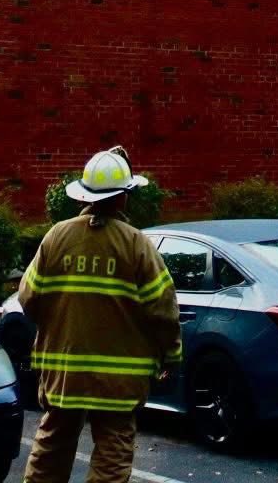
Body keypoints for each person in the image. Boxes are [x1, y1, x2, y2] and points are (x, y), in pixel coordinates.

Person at [18, 147, 181, 483]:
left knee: (52, 444)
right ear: (124, 197)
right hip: (119, 378)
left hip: (64, 370)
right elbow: (162, 309)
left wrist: (59, 324)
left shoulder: (56, 237)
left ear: (85, 194)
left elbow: (28, 297)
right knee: (113, 449)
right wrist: (171, 355)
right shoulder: (137, 244)